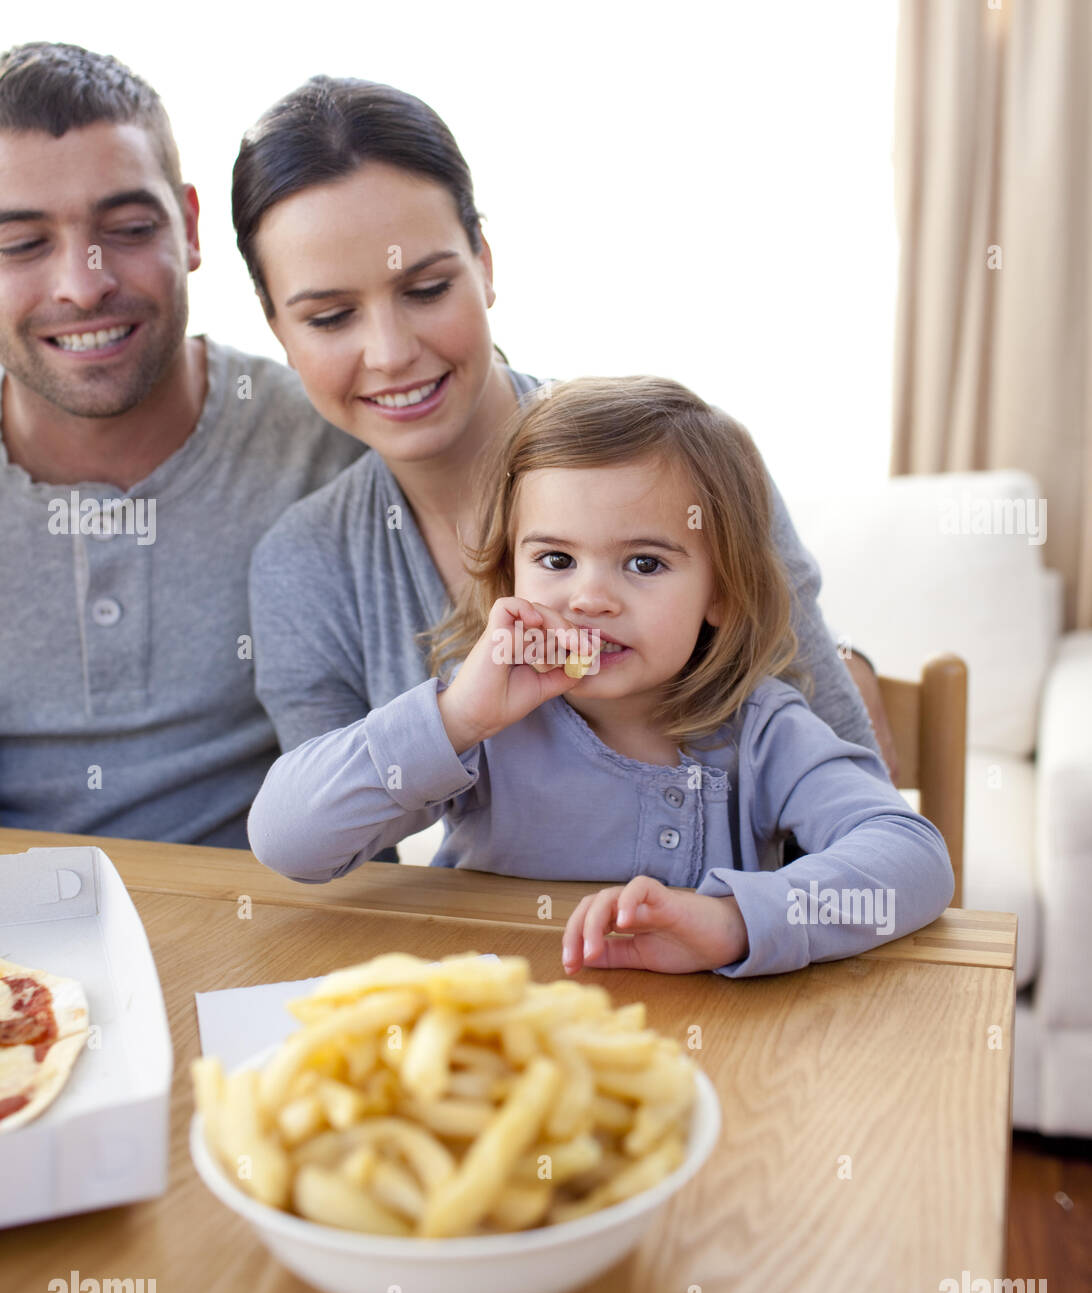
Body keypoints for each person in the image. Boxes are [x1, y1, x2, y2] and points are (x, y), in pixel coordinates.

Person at [237, 76, 899, 858]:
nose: (389, 352)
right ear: (276, 325)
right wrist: (454, 717)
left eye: (427, 287)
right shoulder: (306, 563)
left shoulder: (681, 469)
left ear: (484, 263)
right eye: (330, 316)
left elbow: (861, 817)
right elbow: (322, 853)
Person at [248, 377, 953, 977]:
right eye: (556, 560)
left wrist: (735, 920)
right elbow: (287, 841)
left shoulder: (763, 731)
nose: (589, 598)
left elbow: (913, 861)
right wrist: (457, 718)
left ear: (723, 594)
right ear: (508, 578)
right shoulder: (484, 722)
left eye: (644, 563)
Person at [0, 43, 362, 846]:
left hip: (266, 946)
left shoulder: (332, 438)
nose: (83, 283)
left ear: (191, 228)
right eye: (22, 245)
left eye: (127, 228)